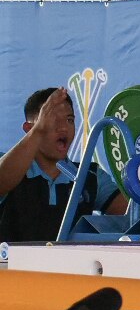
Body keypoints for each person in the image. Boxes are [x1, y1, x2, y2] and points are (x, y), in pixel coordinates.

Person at [0, 87, 125, 243]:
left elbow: (134, 215)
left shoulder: (90, 175)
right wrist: (39, 129)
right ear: (29, 129)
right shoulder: (8, 164)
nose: (64, 128)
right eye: (52, 120)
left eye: (69, 120)